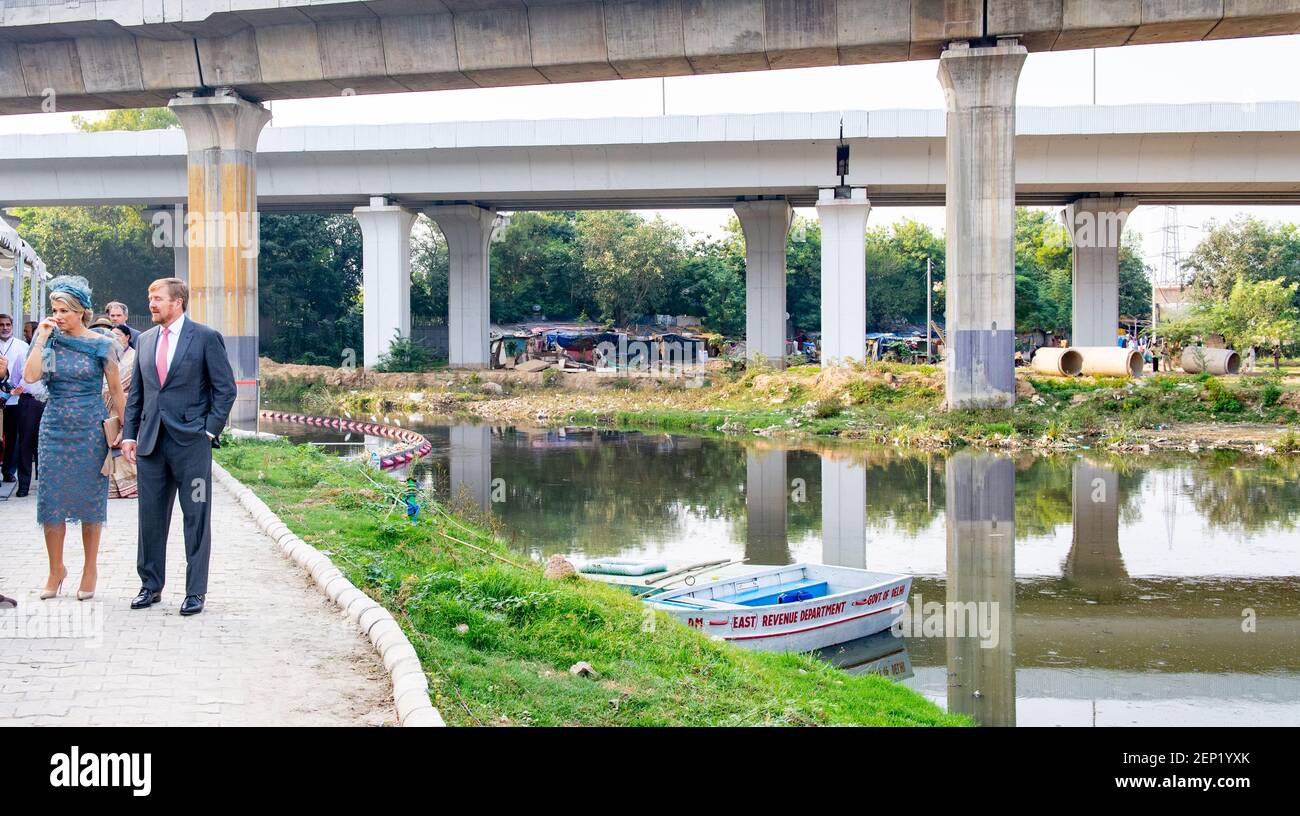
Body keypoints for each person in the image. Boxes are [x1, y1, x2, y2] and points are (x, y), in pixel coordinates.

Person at [121, 278, 236, 617]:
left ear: (178, 302)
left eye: (157, 299)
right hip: (151, 445)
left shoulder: (205, 338)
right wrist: (129, 435)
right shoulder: (144, 341)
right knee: (150, 519)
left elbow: (225, 390)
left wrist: (208, 431)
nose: (151, 304)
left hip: (191, 447)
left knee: (196, 517)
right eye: (149, 298)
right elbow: (137, 396)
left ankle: (195, 592)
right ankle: (150, 586)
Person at [24, 277, 125, 601]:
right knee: (52, 502)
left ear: (81, 311)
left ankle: (90, 568)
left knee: (89, 503)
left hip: (89, 430)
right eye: (55, 310)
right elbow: (30, 377)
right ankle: (56, 570)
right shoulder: (51, 342)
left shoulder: (101, 344)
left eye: (64, 310)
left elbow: (115, 389)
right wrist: (41, 338)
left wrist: (126, 430)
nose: (58, 316)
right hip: (54, 429)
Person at [1, 313, 48, 498]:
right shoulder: (24, 354)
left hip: (48, 402)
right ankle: (24, 485)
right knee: (25, 443)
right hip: (28, 402)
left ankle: (45, 484)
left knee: (45, 445)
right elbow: (12, 380)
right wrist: (14, 390)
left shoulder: (52, 355)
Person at [105, 324, 138, 499]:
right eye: (111, 335)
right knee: (110, 446)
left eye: (118, 335)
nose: (114, 338)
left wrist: (123, 397)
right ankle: (112, 488)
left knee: (125, 442)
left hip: (128, 407)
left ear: (127, 337)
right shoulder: (108, 356)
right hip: (107, 409)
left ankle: (131, 486)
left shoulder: (135, 357)